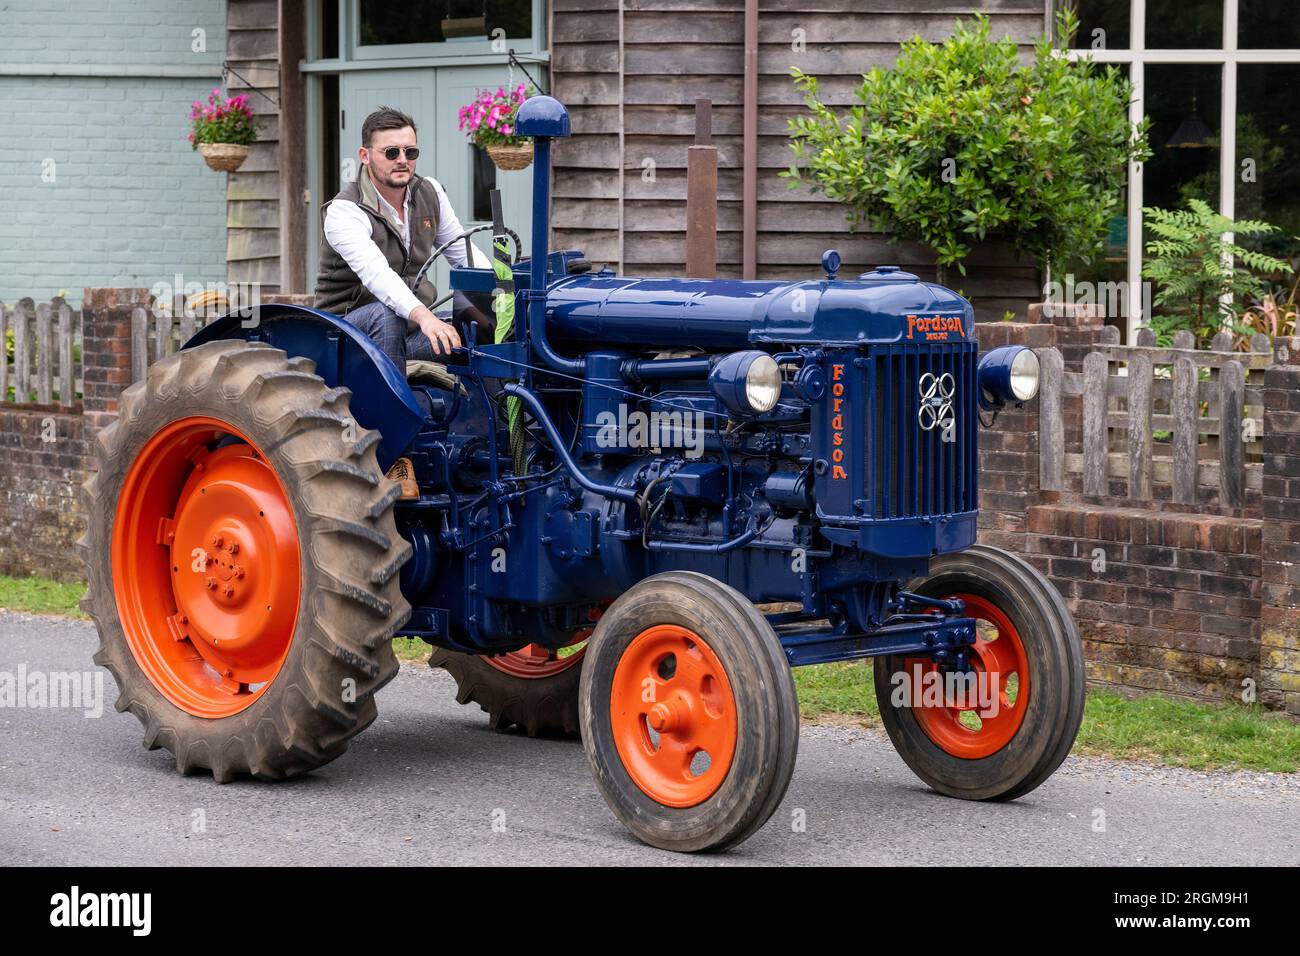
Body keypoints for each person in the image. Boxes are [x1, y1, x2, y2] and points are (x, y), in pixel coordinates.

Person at [315, 105, 484, 497]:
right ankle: (394, 456)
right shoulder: (344, 211)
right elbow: (378, 275)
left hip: (402, 335)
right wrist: (425, 316)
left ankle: (490, 442)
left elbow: (466, 256)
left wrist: (509, 291)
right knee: (389, 314)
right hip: (343, 336)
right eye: (391, 152)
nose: (402, 161)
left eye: (410, 152)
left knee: (472, 324)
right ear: (365, 156)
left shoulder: (430, 193)